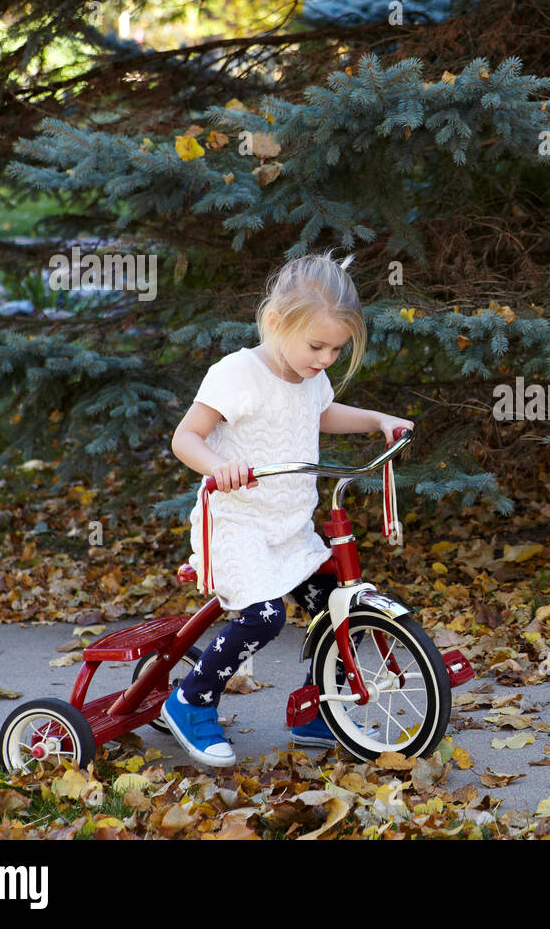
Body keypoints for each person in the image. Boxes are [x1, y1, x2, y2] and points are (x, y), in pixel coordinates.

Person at [165, 249, 413, 767]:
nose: (324, 359)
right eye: (316, 345)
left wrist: (377, 419)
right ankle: (190, 699)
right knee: (263, 616)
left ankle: (317, 710)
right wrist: (216, 466)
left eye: (336, 350)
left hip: (288, 524)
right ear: (276, 322)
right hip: (236, 524)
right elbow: (185, 437)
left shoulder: (311, 377)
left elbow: (323, 413)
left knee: (337, 603)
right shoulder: (237, 373)